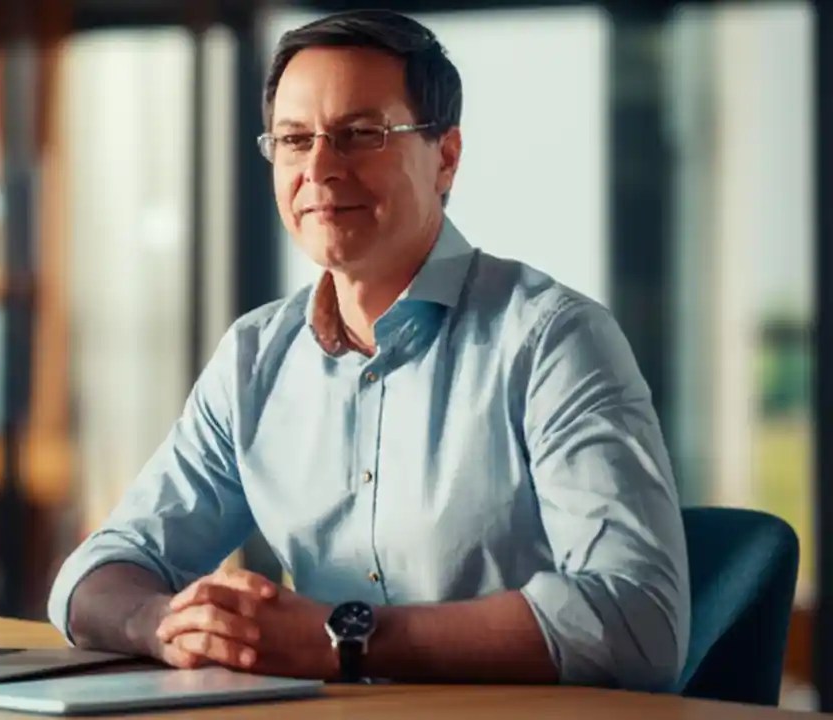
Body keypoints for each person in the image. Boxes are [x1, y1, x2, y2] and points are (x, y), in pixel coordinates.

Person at [48, 9, 689, 691]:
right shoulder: (255, 359)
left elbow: (638, 624)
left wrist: (342, 639)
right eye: (294, 140)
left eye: (360, 134)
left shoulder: (552, 340)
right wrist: (165, 624)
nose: (319, 169)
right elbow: (95, 575)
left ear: (446, 157)